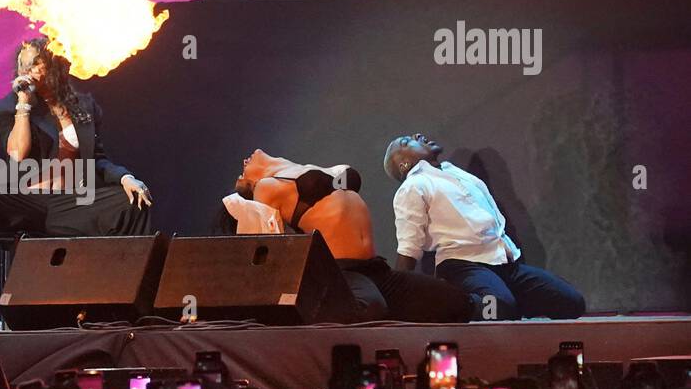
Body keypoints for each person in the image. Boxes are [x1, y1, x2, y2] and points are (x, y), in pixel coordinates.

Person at [0, 39, 153, 326]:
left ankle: (126, 301)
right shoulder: (6, 108)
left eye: (34, 63)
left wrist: (126, 177)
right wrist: (23, 104)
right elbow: (17, 155)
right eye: (21, 65)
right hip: (25, 199)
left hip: (72, 202)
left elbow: (97, 159)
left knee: (132, 202)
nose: (27, 69)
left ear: (53, 64)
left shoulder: (83, 106)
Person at [219, 148, 470, 323]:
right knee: (370, 310)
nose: (244, 165)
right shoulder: (267, 187)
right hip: (340, 272)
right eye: (242, 179)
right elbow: (268, 246)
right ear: (252, 184)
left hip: (374, 269)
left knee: (456, 301)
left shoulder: (302, 168)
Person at [383, 133, 586, 320]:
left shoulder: (456, 173)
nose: (417, 135)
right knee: (501, 308)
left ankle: (505, 303)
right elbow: (409, 246)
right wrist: (399, 299)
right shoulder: (413, 186)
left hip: (504, 264)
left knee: (571, 302)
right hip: (464, 266)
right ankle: (458, 304)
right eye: (406, 141)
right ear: (404, 164)